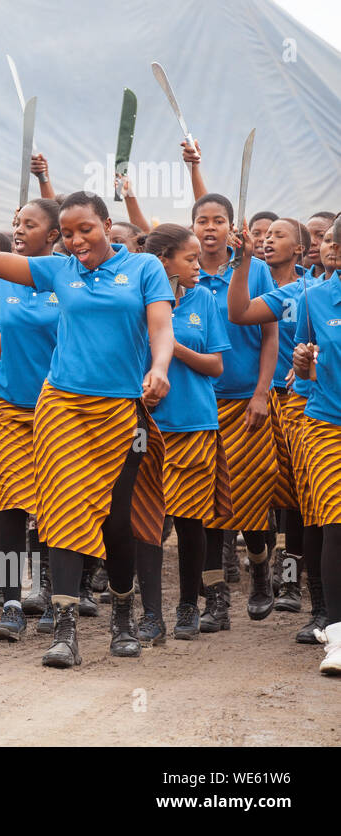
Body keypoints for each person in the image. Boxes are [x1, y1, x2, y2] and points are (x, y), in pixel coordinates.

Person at [0, 159, 174, 669]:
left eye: (86, 229)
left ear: (107, 225)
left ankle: (123, 618)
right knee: (61, 511)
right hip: (60, 403)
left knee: (115, 519)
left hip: (120, 407)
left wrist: (160, 369)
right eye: (67, 233)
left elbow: (160, 328)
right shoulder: (57, 269)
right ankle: (64, 632)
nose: (77, 240)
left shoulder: (143, 268)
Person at [183, 144, 281, 606]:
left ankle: (261, 568)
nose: (209, 228)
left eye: (218, 220)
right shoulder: (183, 274)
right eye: (202, 220)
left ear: (230, 228)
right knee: (203, 507)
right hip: (199, 404)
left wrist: (263, 392)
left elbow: (269, 338)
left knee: (248, 499)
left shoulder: (256, 270)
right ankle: (215, 599)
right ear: (193, 227)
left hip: (247, 401)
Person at [0, 197, 63, 638]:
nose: (19, 231)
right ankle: (10, 604)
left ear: (55, 236)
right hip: (10, 407)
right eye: (16, 223)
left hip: (65, 409)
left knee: (58, 506)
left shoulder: (72, 280)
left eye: (30, 224)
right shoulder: (2, 283)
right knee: (13, 502)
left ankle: (52, 594)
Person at [228, 217, 326, 641]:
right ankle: (262, 568)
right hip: (266, 403)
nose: (268, 240)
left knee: (301, 504)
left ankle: (291, 581)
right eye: (264, 236)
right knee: (258, 490)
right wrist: (242, 260)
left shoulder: (314, 290)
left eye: (278, 235)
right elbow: (240, 315)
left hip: (308, 406)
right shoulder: (268, 289)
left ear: (301, 248)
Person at [135, 224, 231, 641]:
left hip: (193, 423)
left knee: (192, 521)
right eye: (189, 259)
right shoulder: (136, 299)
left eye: (198, 258)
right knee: (146, 523)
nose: (198, 266)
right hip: (145, 425)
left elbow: (216, 366)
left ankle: (190, 604)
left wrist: (172, 345)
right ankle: (150, 613)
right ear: (163, 262)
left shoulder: (204, 298)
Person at [290, 219, 341, 674]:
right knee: (335, 522)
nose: (333, 248)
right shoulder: (315, 297)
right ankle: (338, 635)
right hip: (327, 422)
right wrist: (303, 363)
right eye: (331, 241)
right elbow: (303, 366)